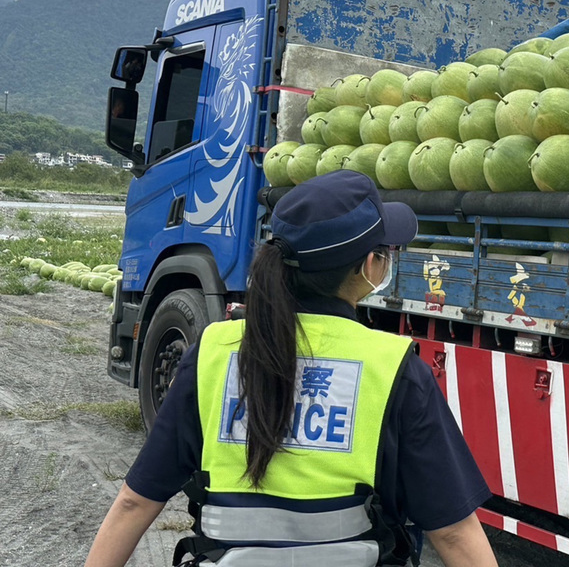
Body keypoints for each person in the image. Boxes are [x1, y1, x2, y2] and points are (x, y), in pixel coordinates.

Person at [86, 170, 498, 567]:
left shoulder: (213, 352)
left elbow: (135, 502)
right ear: (370, 267)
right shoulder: (393, 369)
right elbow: (454, 534)